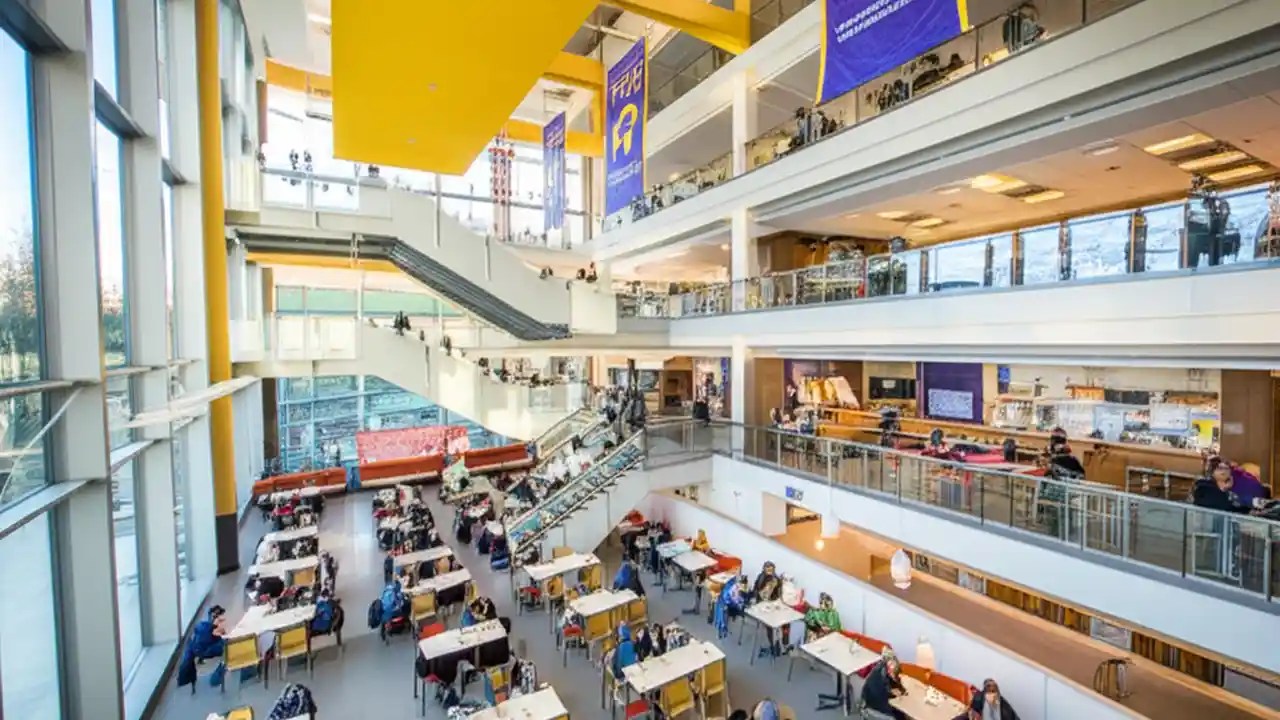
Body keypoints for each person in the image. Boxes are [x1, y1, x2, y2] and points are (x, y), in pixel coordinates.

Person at [860, 650, 907, 720]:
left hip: (870, 702)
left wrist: (895, 690)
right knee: (899, 714)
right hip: (873, 707)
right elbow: (881, 693)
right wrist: (892, 693)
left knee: (901, 712)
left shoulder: (881, 668)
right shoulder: (881, 676)